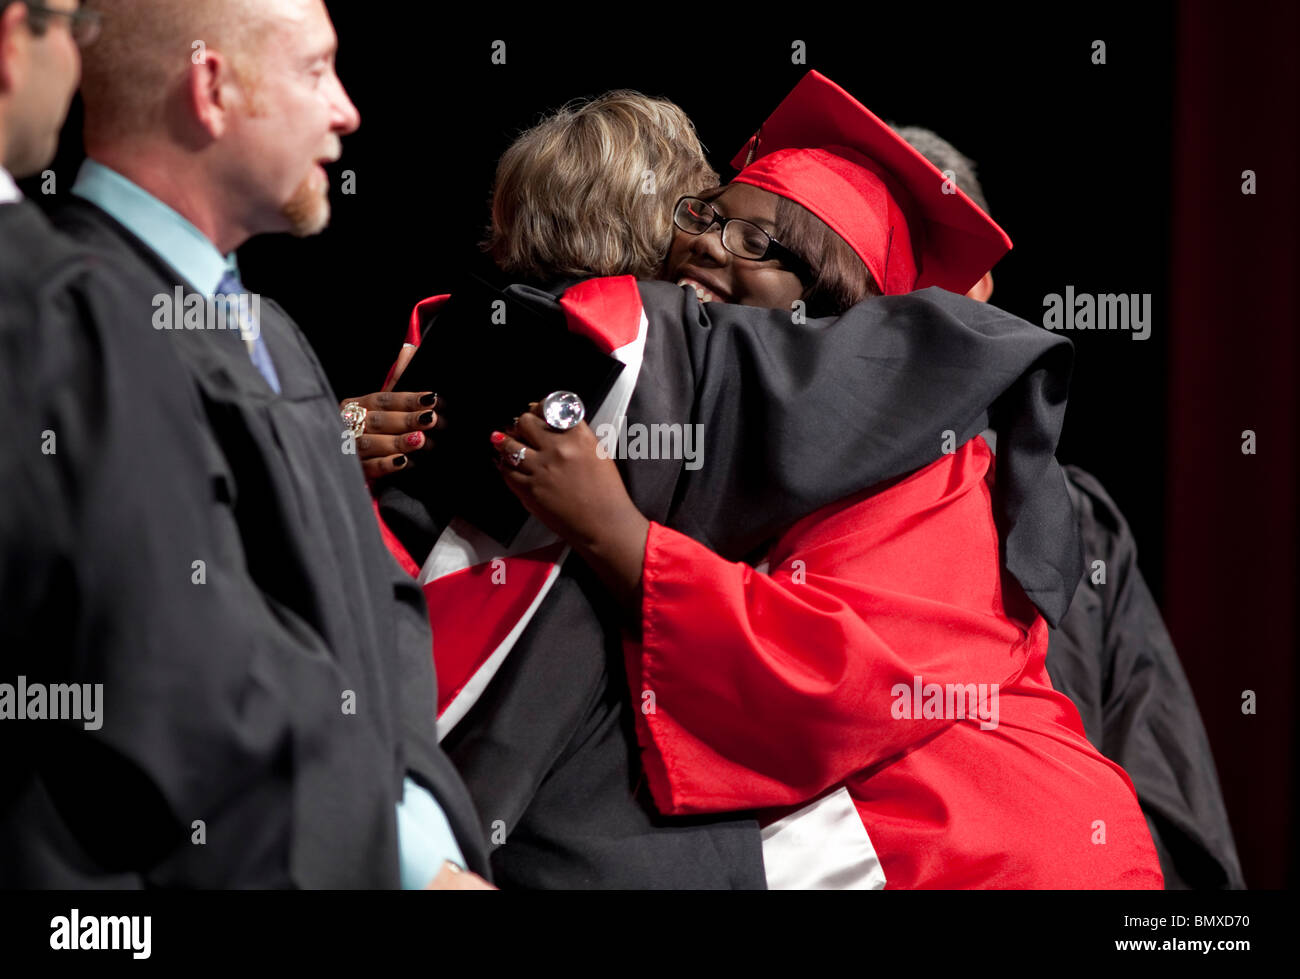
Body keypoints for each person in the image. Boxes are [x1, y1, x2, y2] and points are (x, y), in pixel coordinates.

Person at [367, 74, 1160, 887]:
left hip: (967, 838)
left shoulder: (933, 461)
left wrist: (622, 539)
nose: (712, 246)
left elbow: (838, 681)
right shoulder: (689, 393)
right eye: (712, 218)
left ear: (838, 312)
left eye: (761, 245)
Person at [34, 0, 489, 888]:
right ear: (210, 89)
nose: (345, 110)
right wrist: (399, 862)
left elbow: (377, 604)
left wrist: (421, 827)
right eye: (315, 71)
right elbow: (168, 669)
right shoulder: (64, 325)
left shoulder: (269, 334)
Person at [894, 124, 1244, 889]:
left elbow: (1167, 793)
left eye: (912, 259)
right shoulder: (769, 506)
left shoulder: (1074, 523)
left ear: (980, 288)